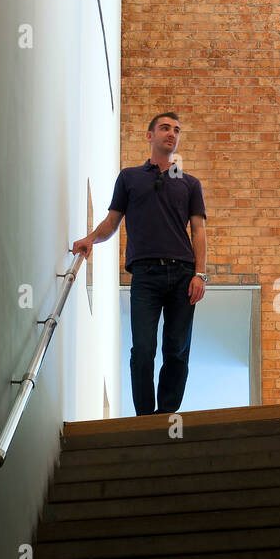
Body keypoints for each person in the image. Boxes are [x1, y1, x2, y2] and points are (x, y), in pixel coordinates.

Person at [72, 113, 208, 415]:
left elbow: (198, 230)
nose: (171, 134)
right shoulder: (129, 178)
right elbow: (112, 221)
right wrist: (90, 239)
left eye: (176, 130)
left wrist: (200, 274)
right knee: (143, 349)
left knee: (176, 349)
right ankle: (145, 418)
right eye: (164, 128)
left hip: (183, 274)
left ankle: (167, 412)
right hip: (145, 275)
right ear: (150, 136)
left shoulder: (189, 183)